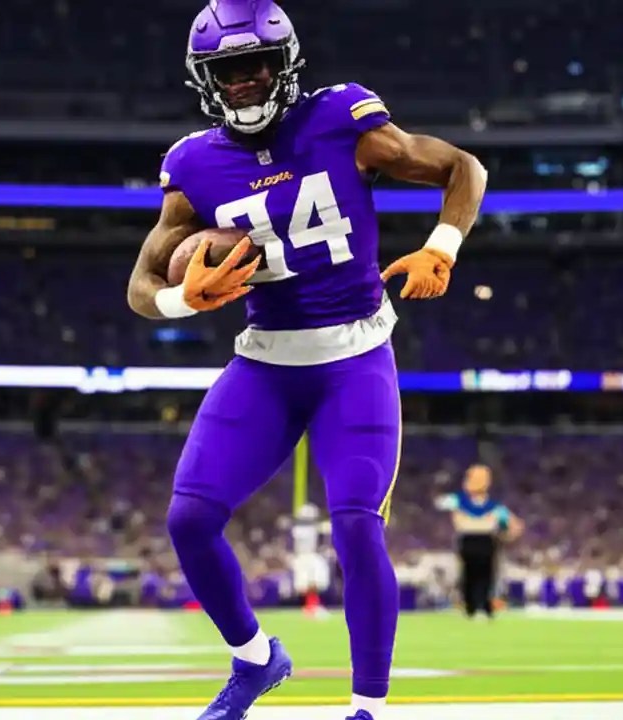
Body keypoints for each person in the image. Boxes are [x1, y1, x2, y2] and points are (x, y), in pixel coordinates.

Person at [125, 0, 487, 716]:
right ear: (206, 78)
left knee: (355, 525)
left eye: (257, 64)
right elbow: (140, 284)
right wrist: (181, 302)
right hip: (264, 364)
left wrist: (442, 248)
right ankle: (255, 659)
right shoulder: (194, 164)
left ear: (285, 62)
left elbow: (461, 168)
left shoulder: (341, 120)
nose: (247, 83)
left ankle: (367, 708)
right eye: (229, 71)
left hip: (354, 359)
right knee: (189, 520)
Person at [434, 464, 521, 620]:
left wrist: (505, 535)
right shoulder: (459, 500)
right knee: (469, 573)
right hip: (468, 540)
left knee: (487, 574)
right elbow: (439, 502)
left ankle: (485, 606)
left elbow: (514, 524)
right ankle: (471, 607)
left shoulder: (494, 506)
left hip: (486, 541)